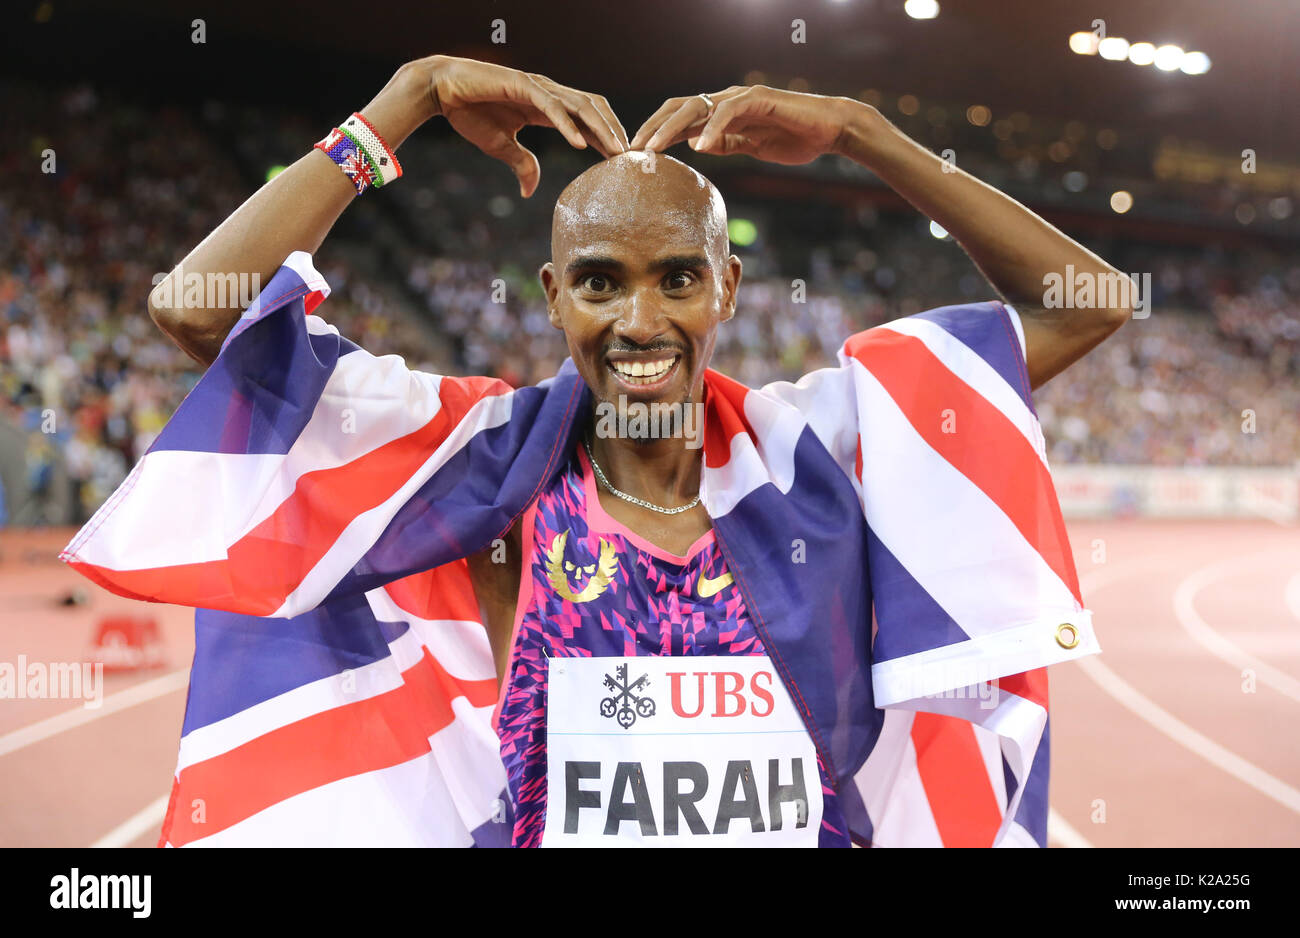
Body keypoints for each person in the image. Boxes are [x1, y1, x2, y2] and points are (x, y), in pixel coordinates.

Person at [66, 54, 1128, 847]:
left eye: (675, 275)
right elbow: (197, 312)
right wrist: (412, 97)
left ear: (726, 287)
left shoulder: (817, 447)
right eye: (599, 280)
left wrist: (861, 130)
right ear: (552, 293)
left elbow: (1085, 303)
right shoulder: (487, 467)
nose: (638, 320)